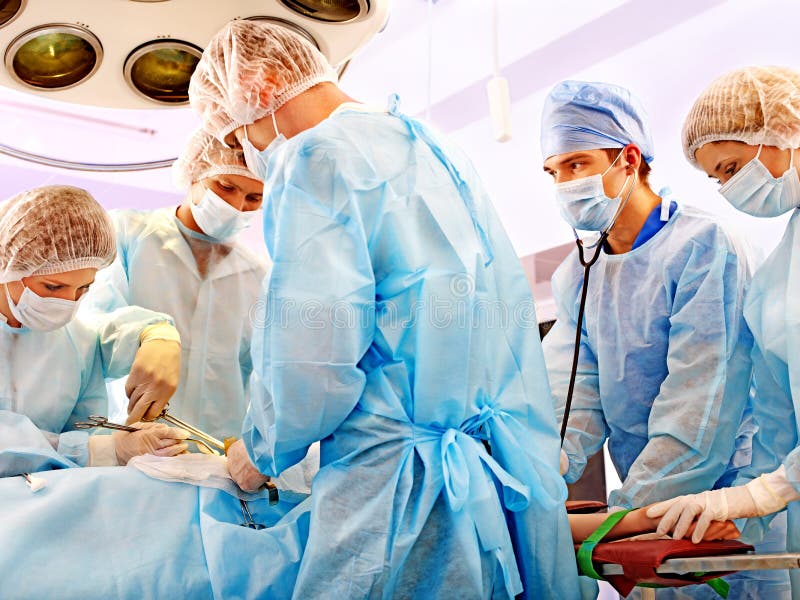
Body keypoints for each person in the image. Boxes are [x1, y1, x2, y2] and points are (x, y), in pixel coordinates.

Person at [188, 19, 580, 599]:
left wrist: (264, 448)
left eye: (240, 126)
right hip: (488, 474)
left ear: (264, 84)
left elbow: (314, 357)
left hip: (394, 488)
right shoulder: (429, 144)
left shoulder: (316, 159)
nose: (250, 145)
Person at [539, 80, 788, 597]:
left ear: (628, 159)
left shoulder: (704, 246)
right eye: (553, 171)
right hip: (652, 512)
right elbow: (574, 393)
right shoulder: (577, 275)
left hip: (722, 504)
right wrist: (542, 469)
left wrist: (625, 516)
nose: (563, 183)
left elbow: (701, 404)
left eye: (577, 164)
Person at [647, 65, 800, 592]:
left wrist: (762, 494)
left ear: (786, 130)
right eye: (718, 177)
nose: (729, 189)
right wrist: (745, 502)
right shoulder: (779, 275)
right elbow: (779, 429)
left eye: (733, 166)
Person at [81, 129, 270, 440]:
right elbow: (89, 326)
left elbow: (262, 376)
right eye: (225, 187)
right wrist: (149, 332)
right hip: (129, 437)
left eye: (254, 198)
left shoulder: (257, 274)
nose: (237, 205)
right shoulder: (128, 234)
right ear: (195, 171)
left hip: (216, 451)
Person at [0, 185, 188, 467]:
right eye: (52, 286)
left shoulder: (76, 342)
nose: (67, 302)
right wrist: (100, 450)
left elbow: (84, 435)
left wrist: (157, 334)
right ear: (8, 265)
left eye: (82, 288)